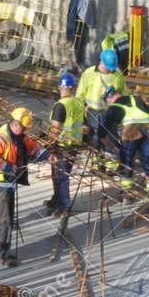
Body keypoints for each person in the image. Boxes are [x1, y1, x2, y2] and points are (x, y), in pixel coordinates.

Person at [0, 107, 46, 267]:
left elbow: (30, 144)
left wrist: (45, 154)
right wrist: (9, 167)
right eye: (23, 128)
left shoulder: (16, 136)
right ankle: (1, 255)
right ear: (16, 124)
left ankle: (0, 252)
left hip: (5, 183)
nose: (24, 131)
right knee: (3, 220)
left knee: (3, 219)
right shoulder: (1, 138)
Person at [105, 89, 149, 193]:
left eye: (107, 101)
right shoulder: (136, 99)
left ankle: (125, 191)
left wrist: (112, 147)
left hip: (130, 132)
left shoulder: (113, 107)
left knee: (127, 160)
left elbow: (104, 129)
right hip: (147, 130)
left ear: (110, 98)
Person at [45, 72, 86, 214]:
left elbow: (55, 128)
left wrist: (49, 145)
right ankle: (56, 200)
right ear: (73, 88)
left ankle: (65, 207)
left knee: (60, 177)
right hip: (74, 145)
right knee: (60, 175)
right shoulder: (78, 103)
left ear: (59, 87)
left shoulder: (61, 105)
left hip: (62, 146)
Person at [76, 47, 126, 143]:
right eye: (109, 67)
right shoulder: (89, 73)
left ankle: (110, 151)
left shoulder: (117, 73)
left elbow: (123, 93)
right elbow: (79, 96)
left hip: (110, 113)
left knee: (111, 139)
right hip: (92, 113)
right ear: (101, 62)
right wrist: (80, 119)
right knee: (94, 139)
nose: (111, 70)